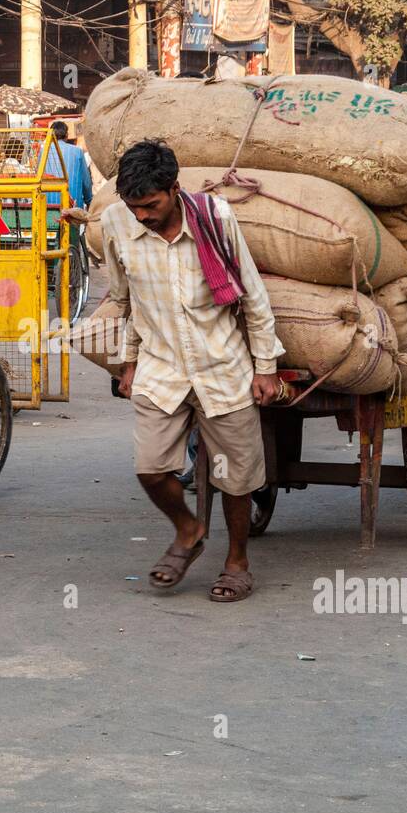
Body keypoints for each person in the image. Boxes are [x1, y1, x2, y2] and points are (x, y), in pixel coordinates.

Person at [102, 140, 283, 604]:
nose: (141, 215)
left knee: (236, 478)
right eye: (133, 205)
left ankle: (237, 560)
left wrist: (266, 368)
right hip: (161, 368)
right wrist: (128, 361)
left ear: (174, 189)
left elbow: (253, 297)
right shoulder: (114, 225)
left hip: (222, 365)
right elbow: (124, 301)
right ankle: (190, 529)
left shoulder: (216, 218)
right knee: (149, 467)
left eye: (150, 205)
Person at [45, 120, 93, 211]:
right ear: (66, 135)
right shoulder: (77, 151)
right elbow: (85, 181)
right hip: (73, 207)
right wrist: (89, 201)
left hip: (47, 207)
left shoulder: (43, 151)